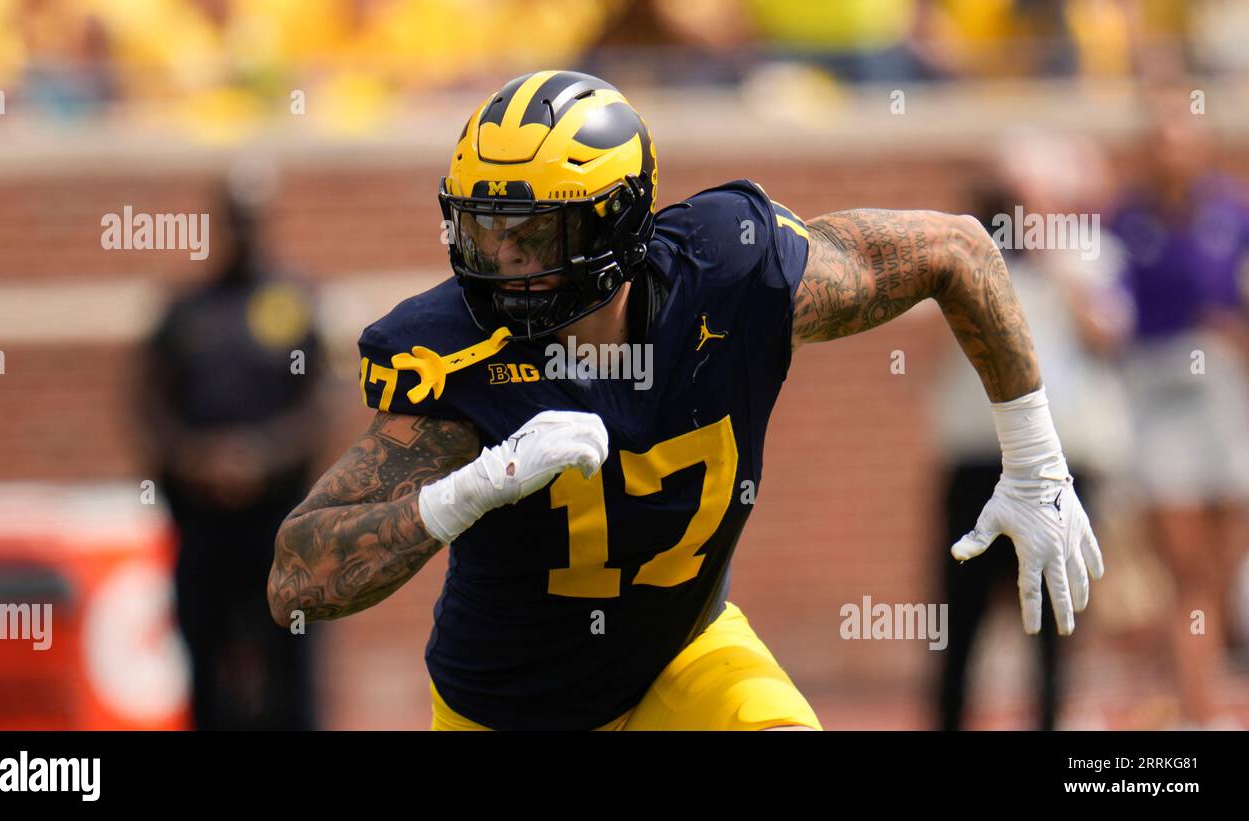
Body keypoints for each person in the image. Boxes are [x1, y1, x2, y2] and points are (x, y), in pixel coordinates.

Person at [267, 70, 1103, 731]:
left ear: (614, 226)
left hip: (685, 658)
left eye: (532, 236)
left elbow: (956, 249)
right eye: (485, 231)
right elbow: (296, 575)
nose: (502, 262)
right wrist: (465, 492)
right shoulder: (461, 356)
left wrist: (1034, 460)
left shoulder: (729, 276)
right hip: (508, 711)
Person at [932, 135, 1131, 730]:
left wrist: (1051, 253)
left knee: (1053, 613)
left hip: (1060, 465)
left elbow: (1107, 333)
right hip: (977, 456)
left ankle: (1049, 722)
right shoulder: (970, 259)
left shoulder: (1092, 254)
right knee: (960, 614)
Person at [140, 171, 326, 730]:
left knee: (289, 667)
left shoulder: (297, 303)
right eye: (234, 218)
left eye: (252, 218)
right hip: (203, 524)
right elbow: (149, 402)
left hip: (281, 526)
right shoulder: (187, 309)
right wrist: (194, 458)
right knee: (205, 659)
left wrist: (263, 455)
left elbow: (323, 401)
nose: (243, 231)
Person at [1109, 95, 1249, 729]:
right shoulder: (1125, 224)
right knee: (1184, 567)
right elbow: (1106, 314)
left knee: (1221, 569)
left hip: (1221, 394)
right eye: (1160, 139)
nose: (1172, 151)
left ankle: (1185, 695)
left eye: (1182, 138)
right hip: (1157, 395)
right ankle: (1198, 713)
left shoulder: (1234, 215)